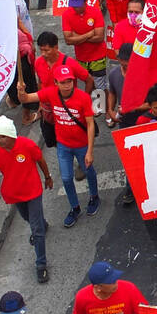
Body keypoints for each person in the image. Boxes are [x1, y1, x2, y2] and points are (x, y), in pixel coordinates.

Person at [16, 63, 100, 227]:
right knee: (67, 178)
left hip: (82, 145)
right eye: (63, 82)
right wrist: (21, 90)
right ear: (56, 83)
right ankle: (75, 207)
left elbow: (90, 124)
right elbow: (25, 99)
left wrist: (90, 151)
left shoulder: (83, 97)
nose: (66, 85)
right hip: (63, 146)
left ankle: (94, 197)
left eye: (69, 81)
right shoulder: (50, 93)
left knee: (89, 171)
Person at [0, 115, 54, 283]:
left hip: (32, 191)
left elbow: (40, 160)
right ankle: (42, 224)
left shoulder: (27, 145)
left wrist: (47, 177)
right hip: (13, 193)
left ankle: (41, 265)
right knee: (28, 218)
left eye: (2, 136)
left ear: (11, 135)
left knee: (36, 231)